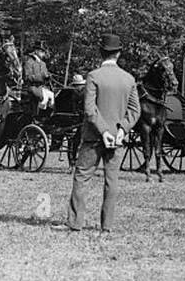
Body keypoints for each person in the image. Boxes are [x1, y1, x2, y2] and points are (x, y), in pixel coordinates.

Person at [54, 33, 140, 233]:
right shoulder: (129, 79)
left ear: (101, 52)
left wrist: (103, 131)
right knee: (112, 180)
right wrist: (121, 130)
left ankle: (75, 222)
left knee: (82, 176)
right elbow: (135, 111)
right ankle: (107, 225)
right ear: (119, 53)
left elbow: (90, 109)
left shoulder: (93, 76)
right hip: (117, 138)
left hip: (94, 136)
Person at [24, 44, 55, 111]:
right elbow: (28, 76)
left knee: (53, 96)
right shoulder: (29, 62)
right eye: (42, 51)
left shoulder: (43, 64)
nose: (43, 53)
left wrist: (48, 77)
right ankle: (38, 115)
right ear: (36, 51)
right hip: (32, 87)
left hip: (42, 87)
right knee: (44, 98)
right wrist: (41, 77)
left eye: (44, 52)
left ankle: (48, 113)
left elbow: (45, 74)